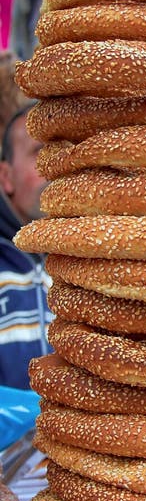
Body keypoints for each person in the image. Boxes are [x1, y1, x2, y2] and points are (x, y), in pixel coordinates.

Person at [0, 103, 51, 389]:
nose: (56, 166)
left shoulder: (105, 262)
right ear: (6, 176)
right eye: (40, 152)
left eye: (64, 153)